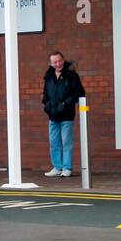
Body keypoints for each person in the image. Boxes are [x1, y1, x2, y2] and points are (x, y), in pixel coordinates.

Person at [41, 50, 85, 178]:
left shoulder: (71, 75)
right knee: (54, 142)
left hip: (67, 115)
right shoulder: (48, 76)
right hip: (53, 115)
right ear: (50, 63)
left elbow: (80, 93)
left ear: (63, 60)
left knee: (66, 142)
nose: (58, 64)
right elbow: (45, 94)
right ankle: (57, 167)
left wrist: (66, 103)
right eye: (55, 62)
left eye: (59, 61)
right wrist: (47, 105)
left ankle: (67, 168)